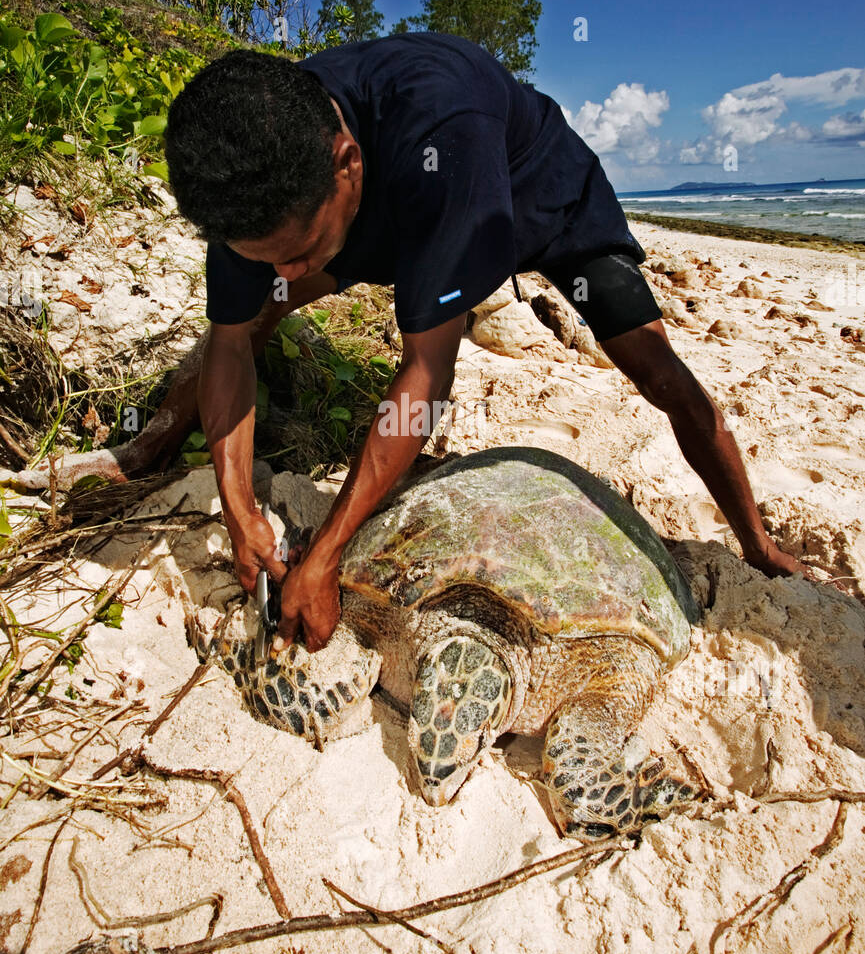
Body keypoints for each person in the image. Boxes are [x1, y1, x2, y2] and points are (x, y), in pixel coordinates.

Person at [17, 34, 804, 649]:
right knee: (253, 316)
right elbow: (227, 342)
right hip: (378, 218)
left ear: (346, 162)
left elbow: (425, 375)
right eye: (265, 258)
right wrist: (237, 505)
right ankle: (145, 449)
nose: (286, 273)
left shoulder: (441, 127)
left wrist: (322, 555)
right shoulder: (255, 175)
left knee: (655, 370)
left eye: (298, 251)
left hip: (537, 198)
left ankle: (756, 540)